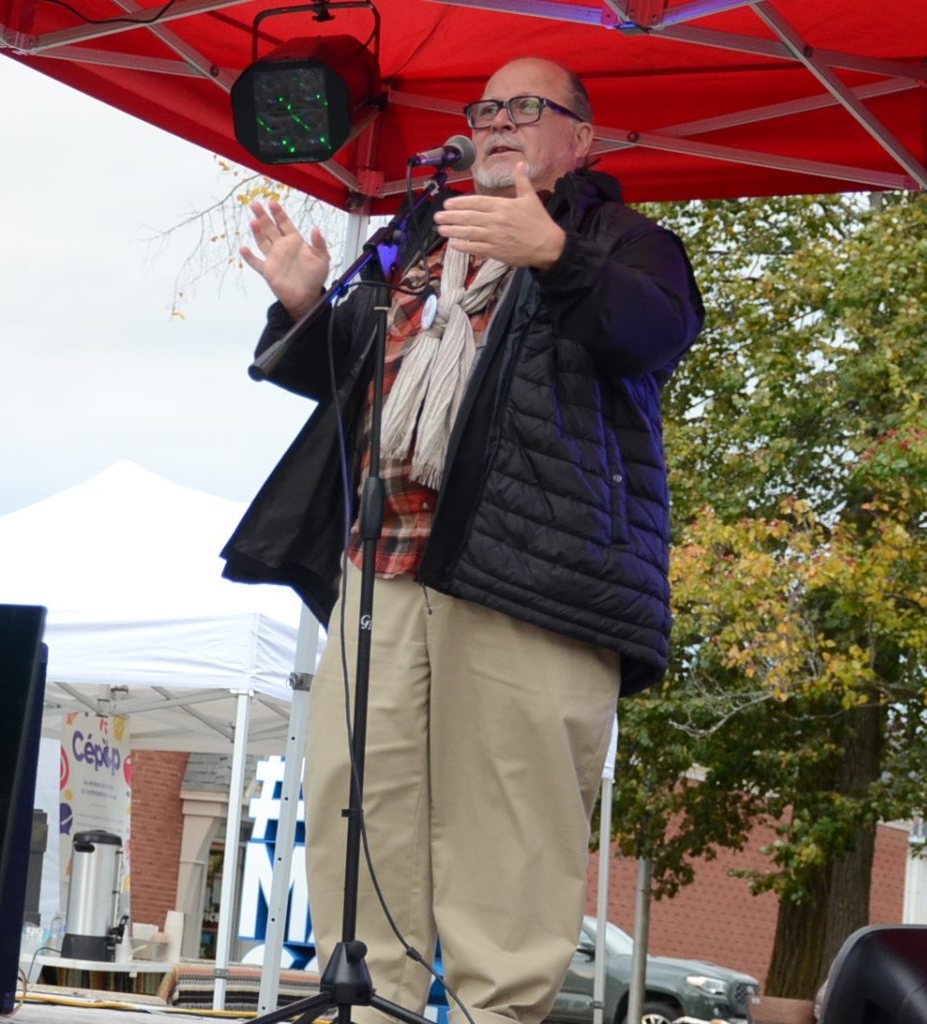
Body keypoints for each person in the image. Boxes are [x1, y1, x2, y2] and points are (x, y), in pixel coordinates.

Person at [221, 57, 704, 1024]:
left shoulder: (622, 240)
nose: (500, 121)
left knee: (510, 834)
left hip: (530, 578)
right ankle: (372, 1007)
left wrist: (554, 254)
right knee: (362, 804)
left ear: (583, 141)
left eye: (531, 107)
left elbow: (654, 333)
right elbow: (360, 390)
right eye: (486, 108)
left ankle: (497, 1016)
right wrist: (308, 306)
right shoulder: (420, 244)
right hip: (385, 570)